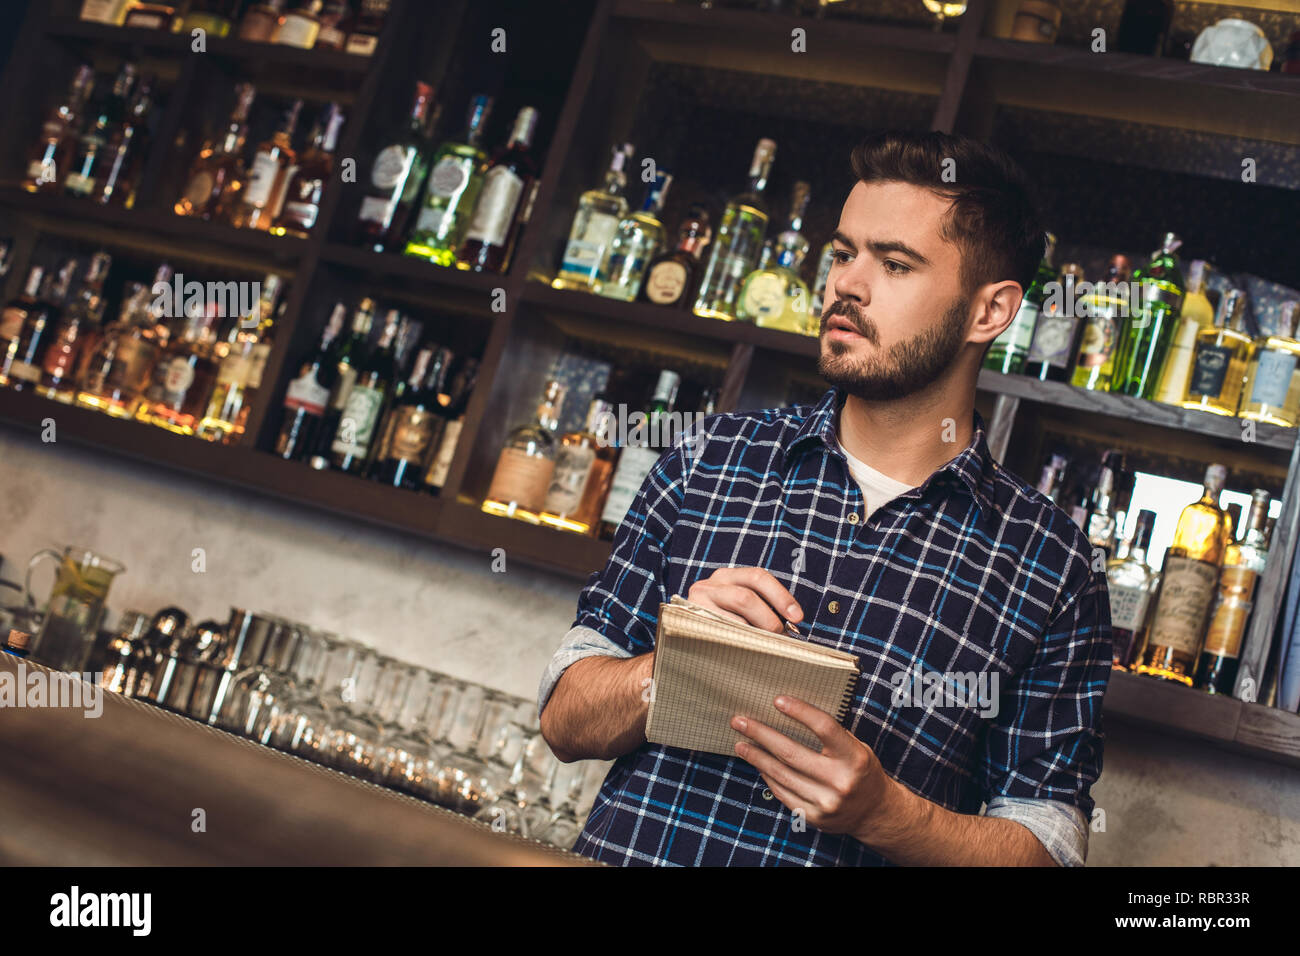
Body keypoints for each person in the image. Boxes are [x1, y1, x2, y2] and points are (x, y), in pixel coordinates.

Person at [537, 129, 1111, 867]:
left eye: (895, 264)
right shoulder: (708, 459)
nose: (847, 284)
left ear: (990, 312)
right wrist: (667, 667)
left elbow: (1050, 846)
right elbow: (563, 719)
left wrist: (886, 814)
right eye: (844, 254)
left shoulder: (1051, 563)